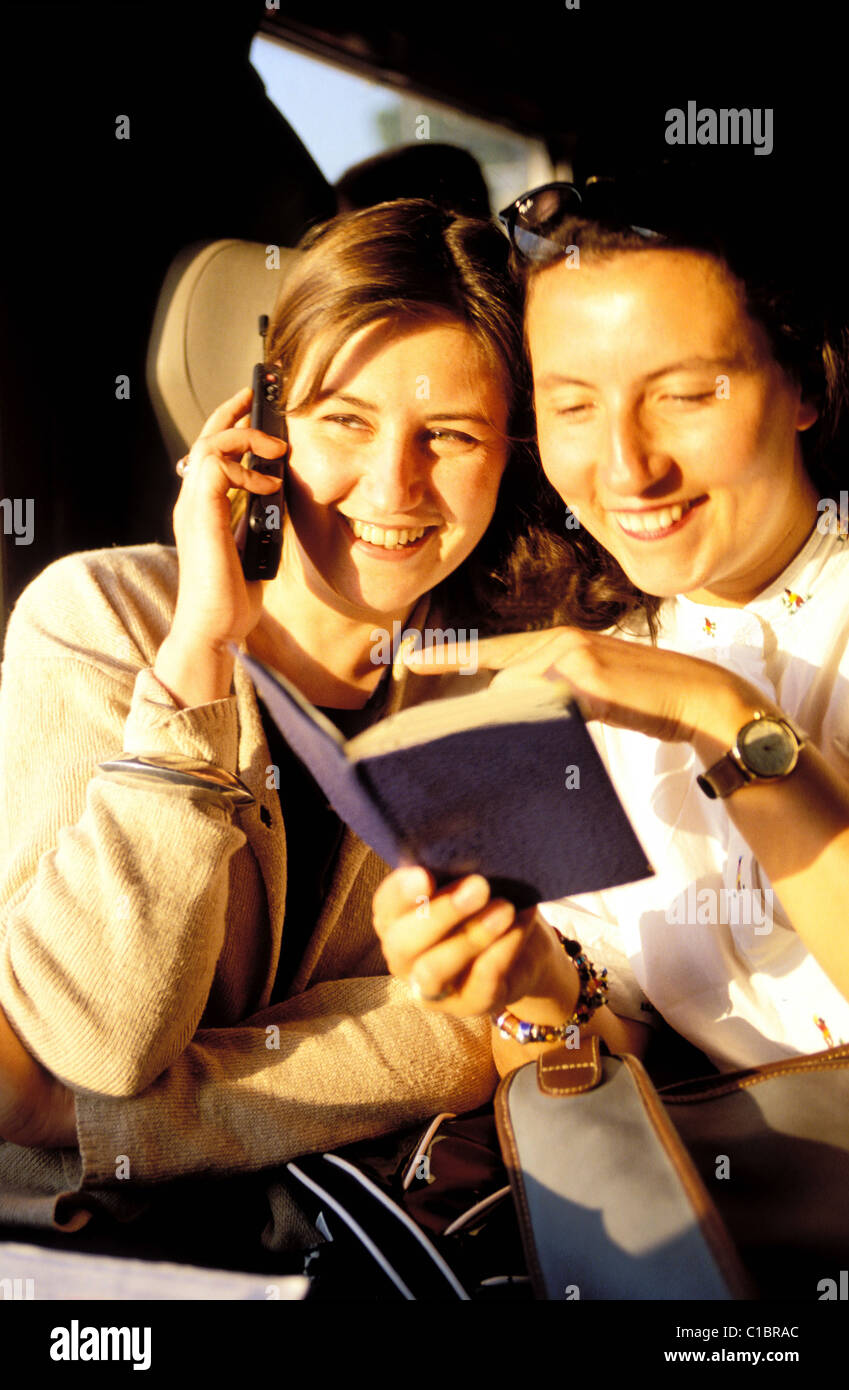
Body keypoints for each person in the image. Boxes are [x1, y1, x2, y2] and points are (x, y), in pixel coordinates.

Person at [0, 198, 531, 1238]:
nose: (393, 483)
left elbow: (482, 1030)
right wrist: (200, 651)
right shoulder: (103, 615)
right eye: (345, 420)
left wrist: (112, 1120)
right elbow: (94, 1036)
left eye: (452, 433)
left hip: (313, 1233)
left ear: (512, 456)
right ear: (261, 425)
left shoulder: (496, 693)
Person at [373, 166, 849, 1078]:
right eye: (573, 406)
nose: (626, 471)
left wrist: (719, 716)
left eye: (684, 394)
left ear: (803, 385)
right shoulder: (599, 659)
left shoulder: (647, 681)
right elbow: (589, 1054)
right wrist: (525, 978)